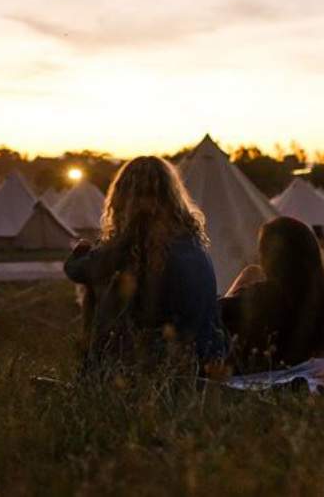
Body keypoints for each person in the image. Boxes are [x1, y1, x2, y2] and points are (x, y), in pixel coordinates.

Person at [63, 156, 227, 374]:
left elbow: (75, 269)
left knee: (100, 286)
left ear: (122, 198)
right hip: (207, 353)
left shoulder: (130, 244)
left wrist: (82, 250)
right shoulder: (191, 239)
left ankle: (93, 370)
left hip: (162, 361)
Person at [219, 217, 324, 372]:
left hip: (264, 364)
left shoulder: (262, 296)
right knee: (252, 271)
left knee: (250, 272)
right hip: (301, 359)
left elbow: (216, 311)